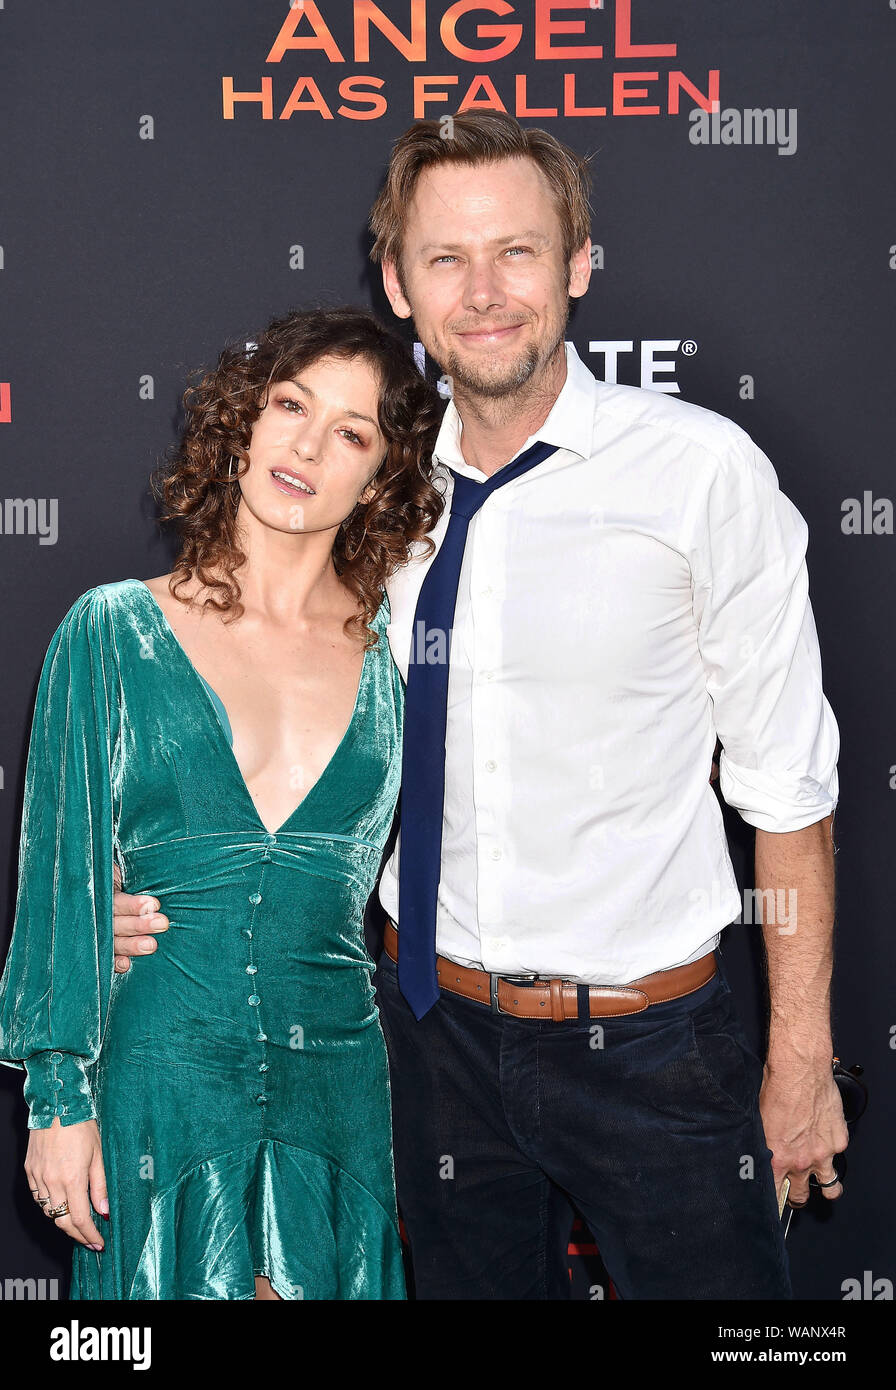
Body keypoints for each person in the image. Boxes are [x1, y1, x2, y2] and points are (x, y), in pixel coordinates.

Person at [111, 111, 848, 1300]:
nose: (485, 292)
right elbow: (244, 694)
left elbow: (787, 791)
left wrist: (800, 1061)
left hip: (655, 1049)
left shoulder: (700, 472)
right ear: (397, 284)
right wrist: (117, 886)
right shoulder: (362, 482)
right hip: (425, 1040)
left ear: (577, 264)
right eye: (446, 259)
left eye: (517, 251)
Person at [0, 305, 444, 1300]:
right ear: (240, 422)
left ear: (379, 476)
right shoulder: (111, 630)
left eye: (351, 432)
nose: (305, 445)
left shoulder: (405, 655)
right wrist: (58, 1097)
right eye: (290, 405)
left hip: (339, 1087)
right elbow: (60, 874)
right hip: (159, 1081)